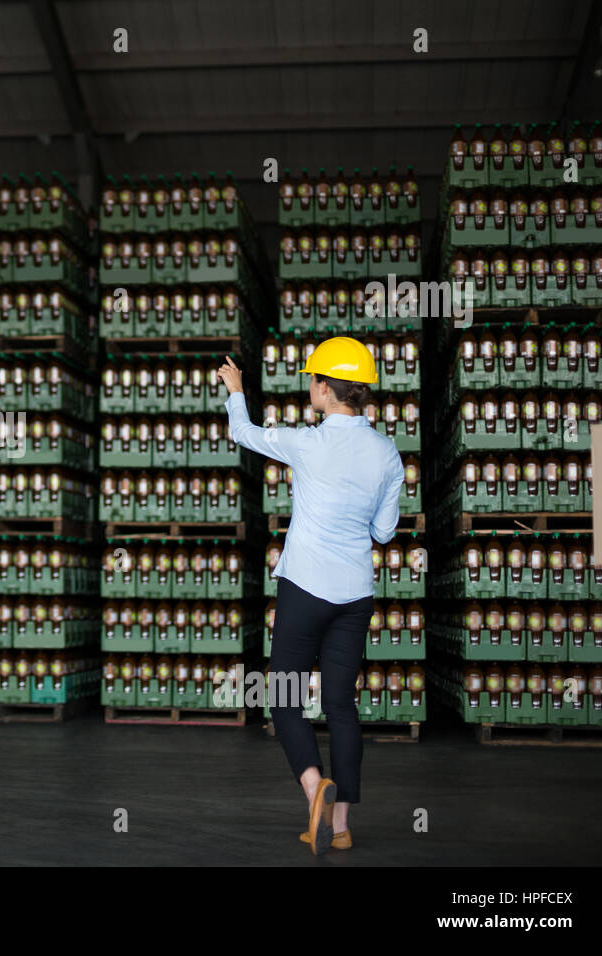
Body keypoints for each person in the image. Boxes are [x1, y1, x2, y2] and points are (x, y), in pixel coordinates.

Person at [215, 338, 404, 856]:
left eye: (312, 380)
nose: (310, 387)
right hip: (355, 595)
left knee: (284, 697)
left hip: (304, 588)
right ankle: (341, 826)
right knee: (342, 706)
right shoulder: (388, 454)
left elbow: (243, 433)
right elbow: (385, 533)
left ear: (324, 387)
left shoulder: (306, 442)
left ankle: (312, 785)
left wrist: (236, 390)